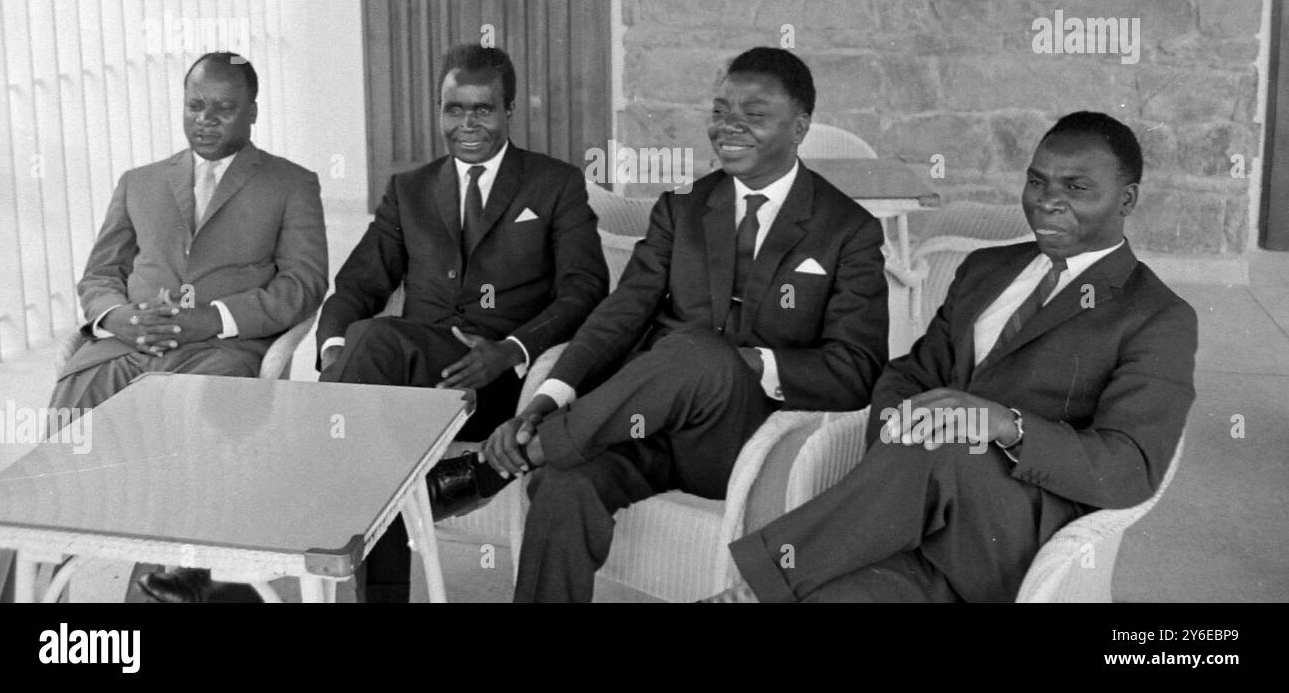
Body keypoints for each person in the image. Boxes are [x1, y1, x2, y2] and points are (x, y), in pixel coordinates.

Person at [429, 46, 890, 602]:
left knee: (698, 351)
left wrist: (751, 364)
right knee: (564, 484)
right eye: (720, 110)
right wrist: (545, 401)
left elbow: (857, 370)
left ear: (800, 127)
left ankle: (512, 459)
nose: (729, 127)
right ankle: (542, 450)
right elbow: (619, 316)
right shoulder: (684, 208)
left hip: (746, 439)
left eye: (754, 113)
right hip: (644, 425)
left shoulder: (848, 231)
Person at [709, 111, 1197, 603]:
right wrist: (897, 461)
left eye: (1077, 188)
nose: (1048, 201)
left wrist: (1008, 424)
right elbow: (911, 376)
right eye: (1036, 181)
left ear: (1126, 199)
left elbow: (1130, 467)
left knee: (946, 446)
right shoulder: (987, 269)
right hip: (922, 531)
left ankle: (748, 592)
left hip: (1015, 543)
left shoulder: (1156, 316)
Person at [318, 42, 608, 602]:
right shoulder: (410, 189)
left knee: (372, 351)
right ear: (439, 111)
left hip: (501, 387)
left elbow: (586, 290)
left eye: (483, 109)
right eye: (454, 109)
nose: (467, 124)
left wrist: (512, 349)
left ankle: (298, 489)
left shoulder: (555, 184)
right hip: (406, 378)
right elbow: (356, 285)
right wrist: (335, 353)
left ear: (509, 112)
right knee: (372, 416)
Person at [48, 51, 329, 604]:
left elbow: (304, 284)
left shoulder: (291, 184)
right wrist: (121, 318)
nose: (206, 119)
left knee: (192, 407)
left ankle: (186, 563)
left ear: (252, 113)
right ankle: (51, 551)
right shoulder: (140, 182)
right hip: (129, 346)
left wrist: (214, 320)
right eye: (195, 105)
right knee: (72, 399)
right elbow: (99, 274)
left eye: (223, 109)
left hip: (218, 350)